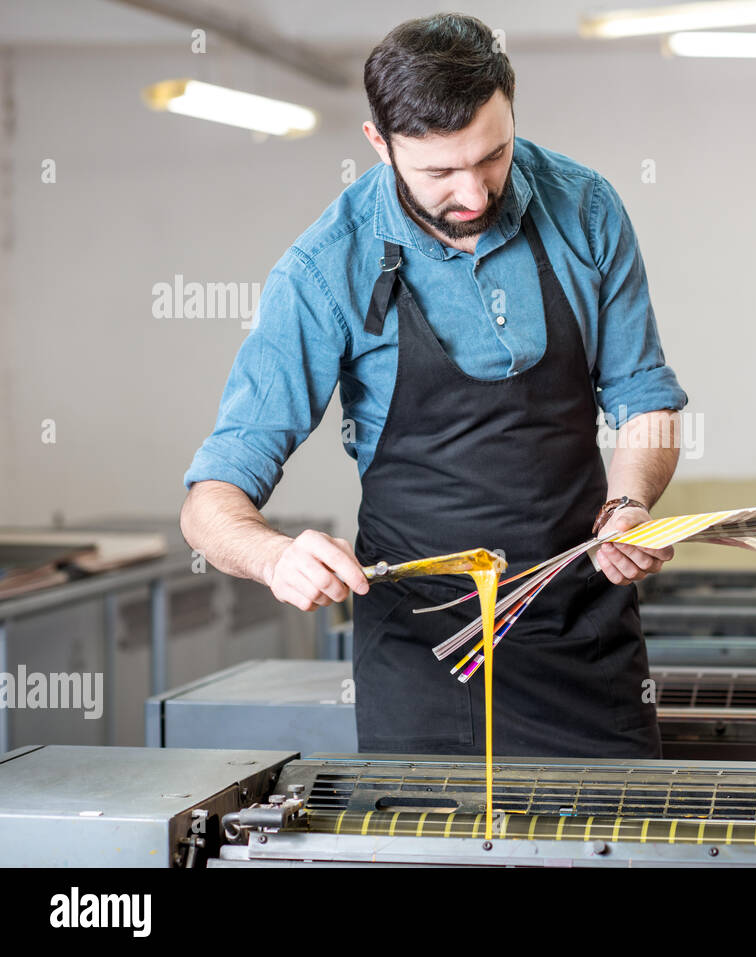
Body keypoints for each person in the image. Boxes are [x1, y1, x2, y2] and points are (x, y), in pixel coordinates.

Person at [179, 13, 688, 758]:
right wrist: (273, 556)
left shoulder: (585, 208)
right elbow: (209, 504)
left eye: (493, 157)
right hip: (422, 657)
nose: (476, 195)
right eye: (440, 173)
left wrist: (631, 502)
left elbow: (647, 400)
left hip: (584, 637)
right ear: (379, 145)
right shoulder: (327, 269)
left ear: (512, 104)